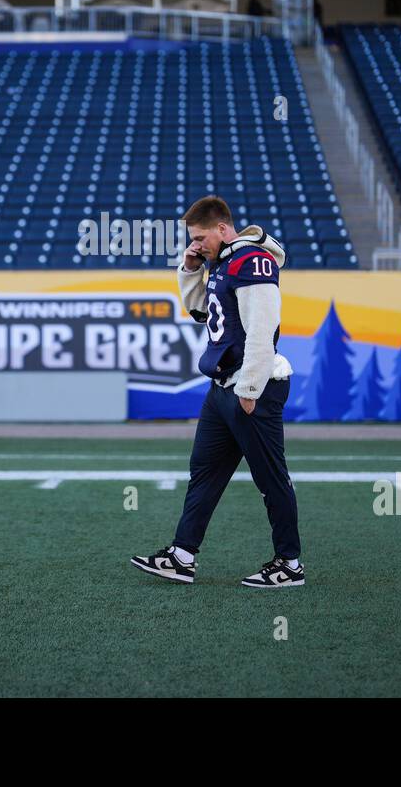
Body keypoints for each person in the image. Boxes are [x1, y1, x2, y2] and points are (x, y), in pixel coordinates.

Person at [131, 195, 302, 588]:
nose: (196, 245)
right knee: (204, 473)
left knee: (271, 479)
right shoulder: (223, 263)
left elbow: (263, 331)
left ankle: (290, 564)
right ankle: (182, 555)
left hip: (251, 387)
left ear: (223, 229)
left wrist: (251, 387)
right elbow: (203, 315)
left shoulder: (252, 261)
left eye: (200, 237)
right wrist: (190, 270)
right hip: (222, 387)